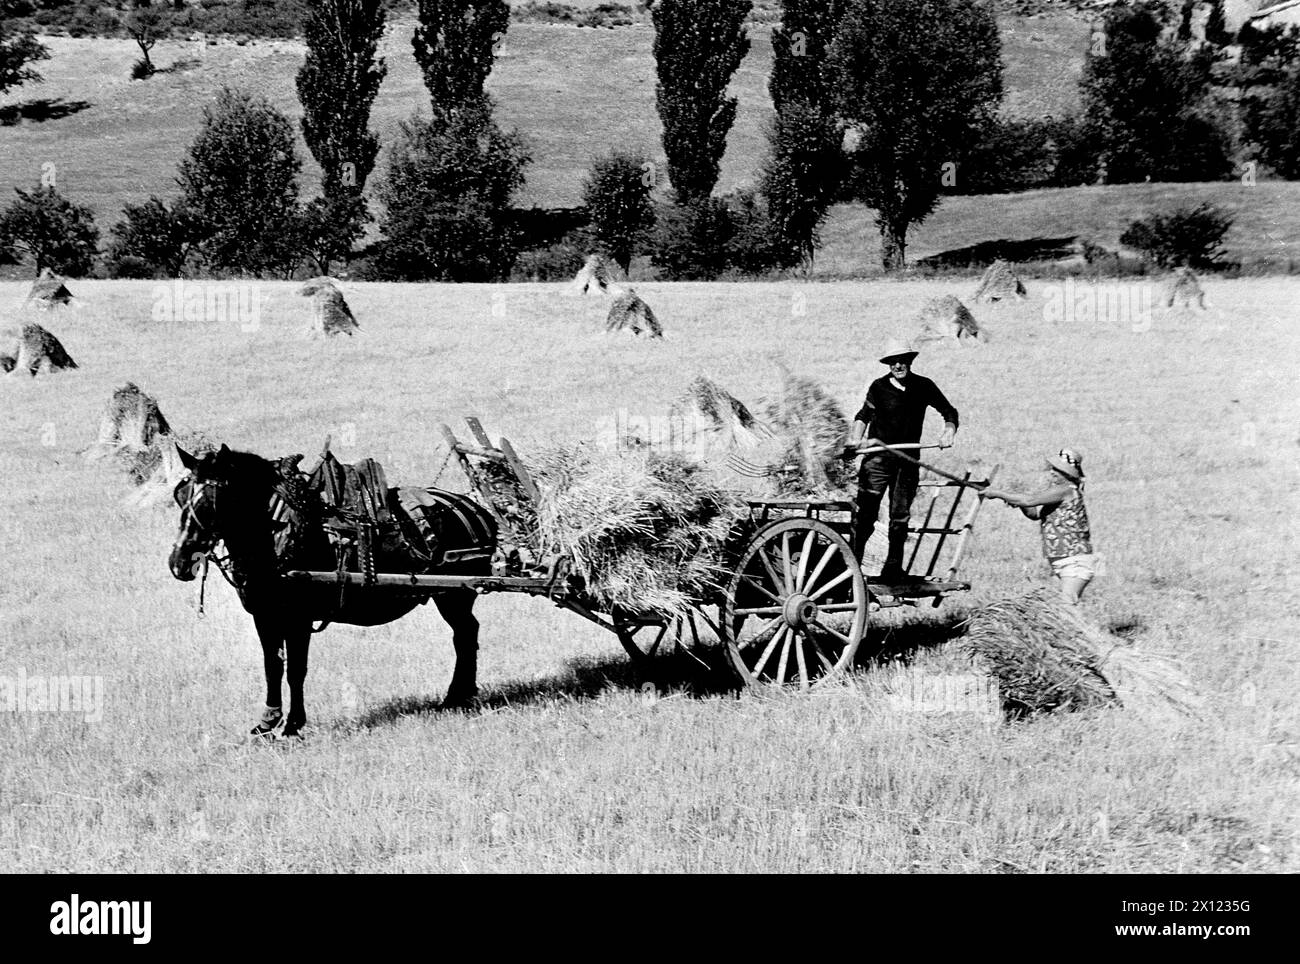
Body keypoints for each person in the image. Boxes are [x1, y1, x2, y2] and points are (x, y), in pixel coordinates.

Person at [846, 338, 959, 581]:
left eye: (903, 361)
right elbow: (863, 416)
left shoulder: (924, 386)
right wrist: (855, 439)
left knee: (900, 517)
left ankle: (893, 569)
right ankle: (852, 570)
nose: (898, 365)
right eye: (893, 362)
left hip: (907, 461)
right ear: (887, 365)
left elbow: (949, 412)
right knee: (865, 515)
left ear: (910, 361)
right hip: (877, 460)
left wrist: (948, 431)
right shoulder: (878, 387)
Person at [982, 448, 1096, 604]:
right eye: (1053, 469)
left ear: (1068, 474)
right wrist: (1016, 501)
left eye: (1057, 470)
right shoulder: (1059, 492)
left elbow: (1028, 500)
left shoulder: (1065, 490)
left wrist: (997, 493)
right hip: (1063, 561)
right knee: (1061, 607)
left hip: (1074, 561)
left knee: (1066, 607)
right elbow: (1034, 514)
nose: (1052, 473)